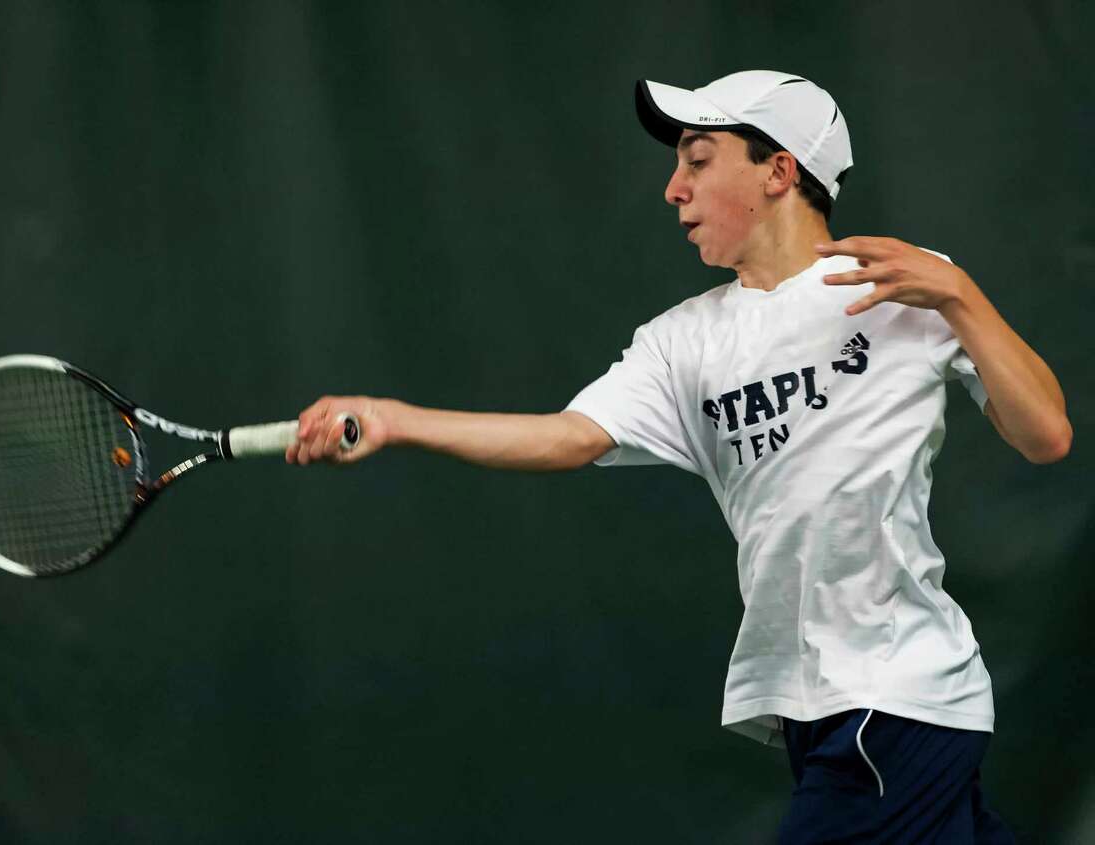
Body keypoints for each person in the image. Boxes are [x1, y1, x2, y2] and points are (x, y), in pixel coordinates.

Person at [287, 70, 1070, 842]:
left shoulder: (902, 286)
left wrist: (960, 294)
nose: (673, 189)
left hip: (894, 692)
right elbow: (568, 436)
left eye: (698, 160)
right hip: (813, 703)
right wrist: (397, 419)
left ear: (778, 171)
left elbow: (1046, 435)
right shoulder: (682, 340)